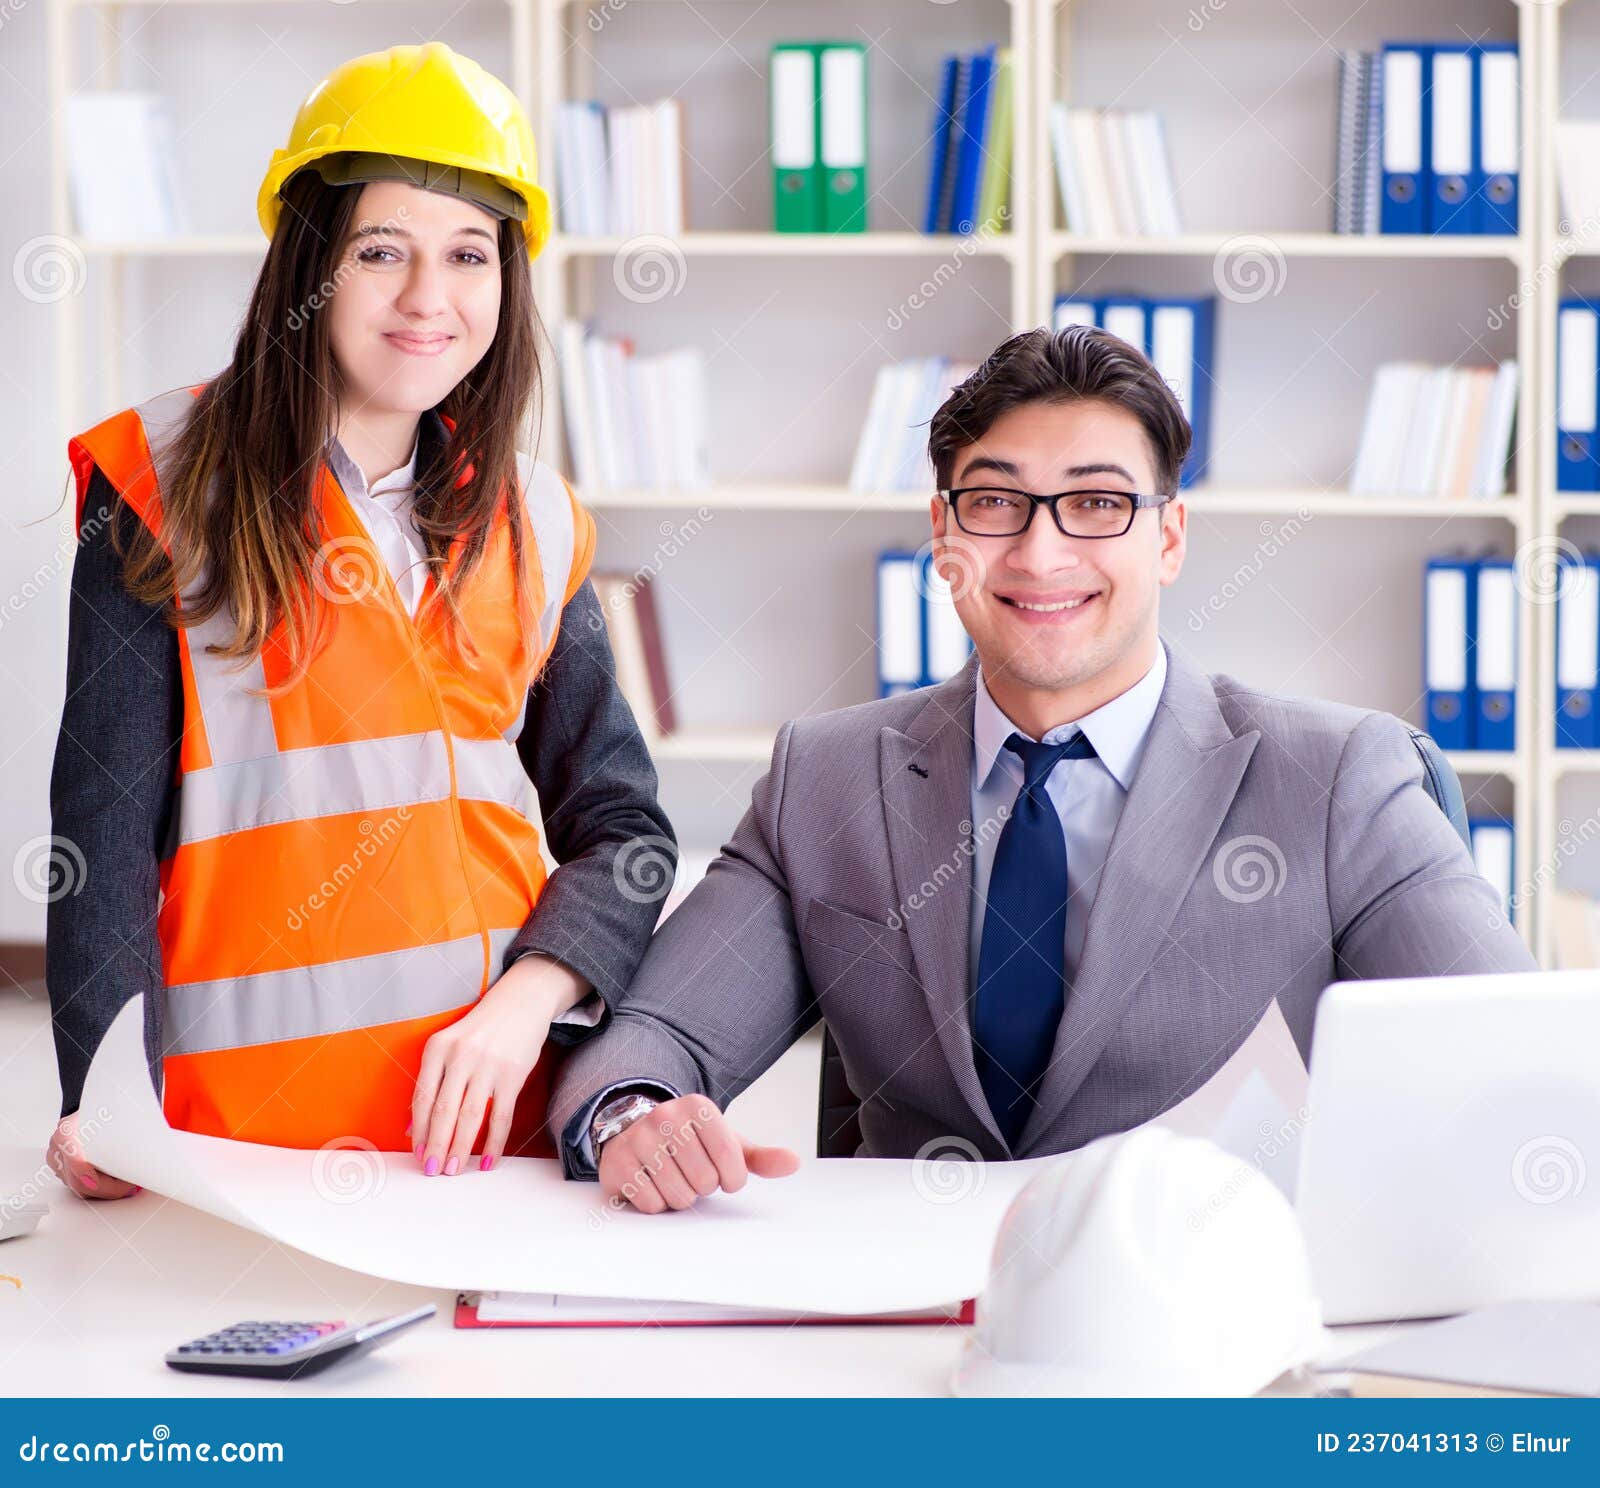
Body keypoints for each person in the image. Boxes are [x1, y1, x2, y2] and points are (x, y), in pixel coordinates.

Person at [550, 323, 1537, 1214]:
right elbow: (653, 1041)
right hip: (906, 1337)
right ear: (944, 537)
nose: (1040, 550)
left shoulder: (1336, 781)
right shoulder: (827, 778)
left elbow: (1516, 1066)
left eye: (1097, 504)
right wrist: (634, 1121)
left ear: (1168, 536)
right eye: (995, 503)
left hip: (1206, 1343)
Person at [45, 43, 674, 1199]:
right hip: (237, 1156)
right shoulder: (160, 484)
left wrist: (531, 1000)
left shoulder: (533, 517)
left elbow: (625, 834)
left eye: (468, 255)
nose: (429, 297)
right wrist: (103, 1102)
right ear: (308, 269)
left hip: (495, 1149)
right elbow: (101, 837)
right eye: (381, 251)